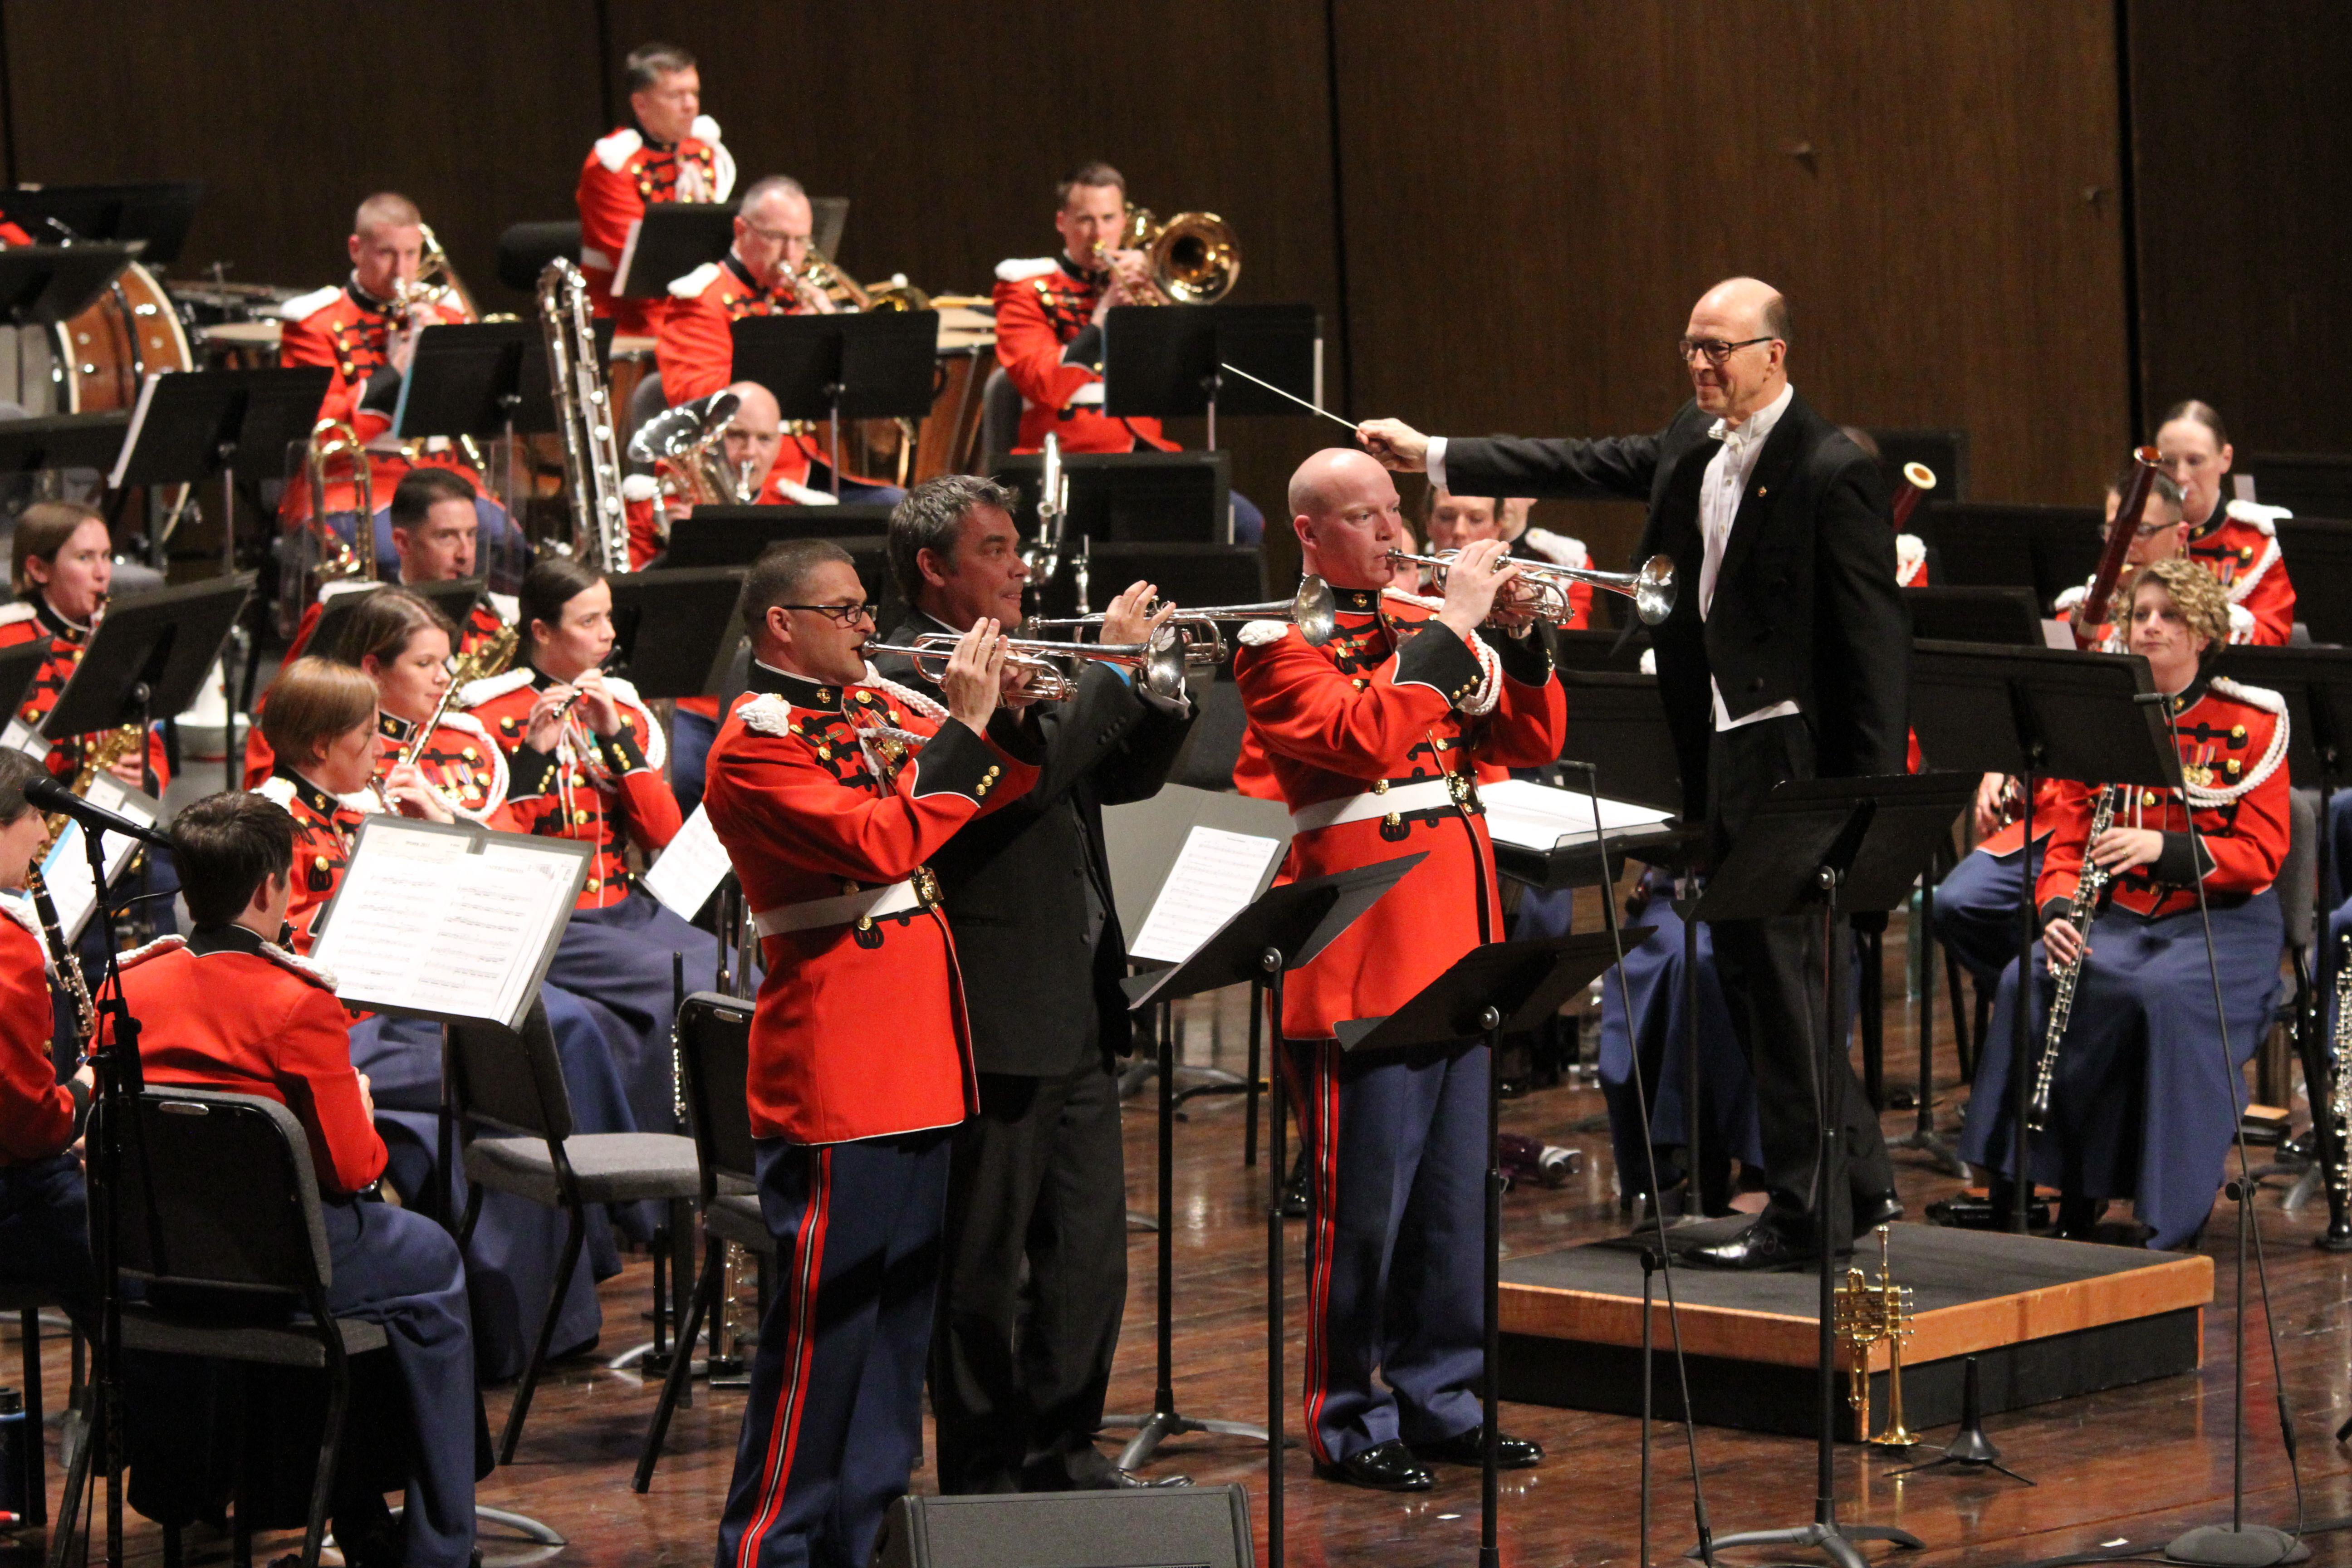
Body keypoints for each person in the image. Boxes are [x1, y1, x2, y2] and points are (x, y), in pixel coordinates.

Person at [1358, 275, 1910, 1270]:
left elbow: (1875, 654)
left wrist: (1862, 817)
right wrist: (1434, 452)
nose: (1700, 364)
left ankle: (1806, 1215)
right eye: (1691, 346)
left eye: (1719, 349)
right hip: (1717, 750)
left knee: (1781, 983)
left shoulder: (1830, 469)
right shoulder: (1693, 440)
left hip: (1793, 767)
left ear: (1773, 355)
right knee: (1753, 977)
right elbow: (1578, 460)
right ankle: (1857, 1185)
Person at [1232, 448, 1563, 1491]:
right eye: (1363, 516)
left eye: (1392, 512)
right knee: (1363, 1211)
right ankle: (1346, 1414)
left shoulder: (1421, 622)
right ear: (1309, 533)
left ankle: (1443, 1398)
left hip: (1457, 941)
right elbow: (1364, 736)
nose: (1391, 533)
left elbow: (1532, 735)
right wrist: (1453, 626)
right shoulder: (1278, 645)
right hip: (1361, 957)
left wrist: (1520, 636)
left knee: (1455, 1201)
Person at [702, 538, 1036, 1568]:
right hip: (837, 1063)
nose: (865, 625)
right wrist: (965, 728)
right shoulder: (753, 743)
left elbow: (996, 791)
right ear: (781, 625)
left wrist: (1007, 714)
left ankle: (864, 1531)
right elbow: (880, 842)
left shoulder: (875, 704)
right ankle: (771, 1545)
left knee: (898, 1321)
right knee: (824, 1328)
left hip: (919, 1051)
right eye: (842, 610)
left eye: (863, 608)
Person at [869, 476, 1195, 1492]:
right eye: (996, 550)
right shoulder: (906, 670)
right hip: (990, 999)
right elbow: (1018, 790)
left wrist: (1154, 690)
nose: (1021, 568)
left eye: (1019, 547)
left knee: (1086, 1255)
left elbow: (1112, 776)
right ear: (933, 567)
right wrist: (1107, 664)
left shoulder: (1021, 655)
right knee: (982, 1260)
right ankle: (981, 1474)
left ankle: (1064, 1450)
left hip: (1078, 989)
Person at [115, 789, 479, 1568]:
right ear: (268, 889)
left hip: (158, 1268)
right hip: (281, 1268)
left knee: (364, 1265)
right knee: (431, 1261)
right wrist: (363, 1111)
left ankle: (355, 1509)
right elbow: (353, 1169)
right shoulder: (298, 1000)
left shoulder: (129, 987)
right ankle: (442, 1545)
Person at [1958, 559, 2287, 1246]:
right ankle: (2027, 1189)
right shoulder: (2107, 718)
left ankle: (2166, 1212)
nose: (2150, 627)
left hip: (2221, 921)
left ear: (2203, 633)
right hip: (2123, 914)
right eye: (2141, 615)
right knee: (2027, 978)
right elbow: (2069, 841)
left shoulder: (2253, 721)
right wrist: (2056, 913)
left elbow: (2261, 854)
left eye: (2169, 616)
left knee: (2156, 996)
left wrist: (2162, 849)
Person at [462, 557, 715, 1132]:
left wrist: (616, 738)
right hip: (554, 920)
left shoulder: (623, 708)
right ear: (542, 632)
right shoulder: (486, 720)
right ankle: (654, 1160)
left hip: (624, 906)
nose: (609, 634)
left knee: (732, 972)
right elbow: (502, 855)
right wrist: (533, 756)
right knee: (685, 984)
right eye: (588, 621)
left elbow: (661, 834)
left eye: (608, 617)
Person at [991, 162, 1263, 541]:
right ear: (1062, 222)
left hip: (1145, 458)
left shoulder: (1141, 285)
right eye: (1085, 220)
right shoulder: (1025, 290)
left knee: (1244, 522)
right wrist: (1103, 317)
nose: (1098, 233)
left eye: (1108, 218)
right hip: (1066, 464)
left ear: (1124, 220)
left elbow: (1187, 376)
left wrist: (1161, 294)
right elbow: (1044, 384)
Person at [274, 193, 501, 553]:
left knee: (507, 546)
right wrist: (395, 374)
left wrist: (442, 351)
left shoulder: (446, 315)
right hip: (353, 480)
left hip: (442, 477)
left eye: (411, 254)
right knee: (397, 553)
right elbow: (322, 431)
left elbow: (478, 411)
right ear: (356, 249)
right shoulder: (315, 324)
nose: (401, 271)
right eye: (387, 254)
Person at [0, 748, 95, 1334]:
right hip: (11, 1199)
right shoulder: (8, 948)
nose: (43, 833)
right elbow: (33, 1129)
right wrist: (84, 1091)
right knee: (138, 1247)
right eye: (33, 816)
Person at [577, 41, 735, 333]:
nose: (691, 105)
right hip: (625, 320)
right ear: (641, 104)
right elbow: (644, 267)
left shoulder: (699, 150)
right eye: (676, 95)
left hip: (694, 308)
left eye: (694, 93)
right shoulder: (612, 165)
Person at [2156, 400, 2295, 647]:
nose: (2180, 476)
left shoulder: (2262, 542)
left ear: (2226, 458)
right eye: (2168, 462)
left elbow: (2272, 639)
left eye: (2195, 461)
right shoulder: (2138, 535)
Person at [1421, 488, 1591, 628]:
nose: (1460, 531)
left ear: (1498, 526)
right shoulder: (1417, 581)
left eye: (1477, 519)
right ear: (1428, 523)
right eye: (1446, 517)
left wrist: (1527, 628)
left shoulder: (1562, 564)